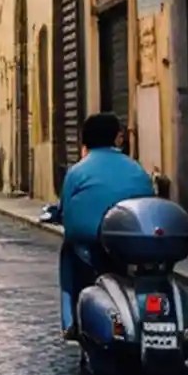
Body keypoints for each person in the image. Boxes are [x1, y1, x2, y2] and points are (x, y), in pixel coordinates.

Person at [57, 113, 155, 340]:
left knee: (69, 254)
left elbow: (64, 209)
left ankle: (73, 320)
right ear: (118, 139)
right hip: (133, 244)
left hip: (91, 246)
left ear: (84, 141)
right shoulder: (136, 169)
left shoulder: (77, 172)